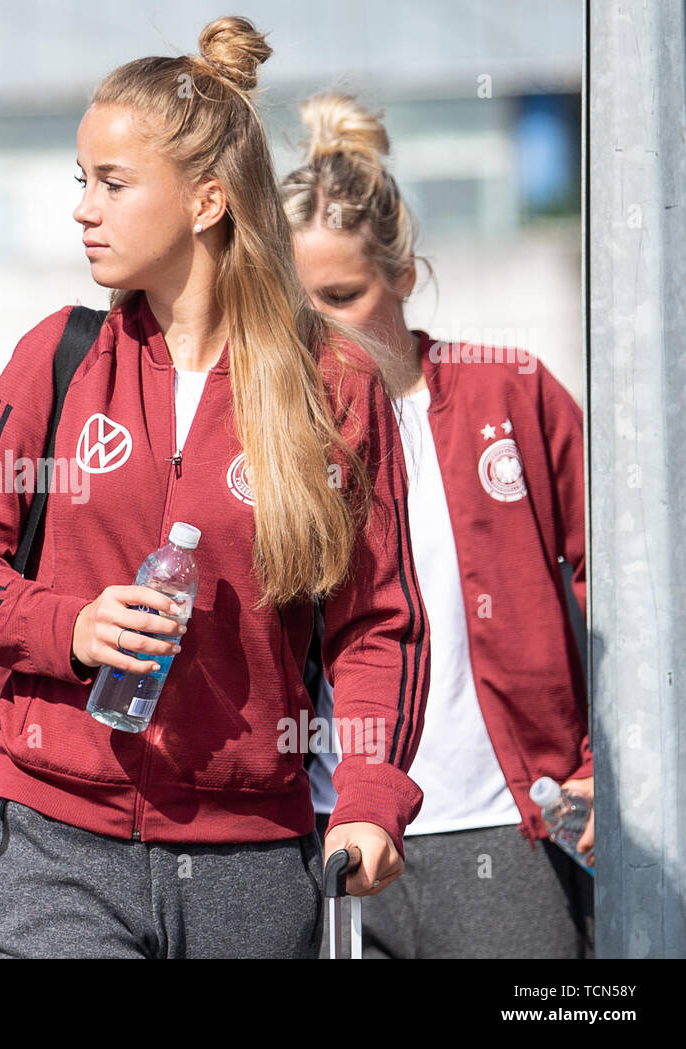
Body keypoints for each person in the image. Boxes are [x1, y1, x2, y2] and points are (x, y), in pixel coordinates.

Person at [0, 17, 431, 959]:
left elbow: (378, 625)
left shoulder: (338, 384)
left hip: (255, 865)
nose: (83, 210)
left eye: (111, 184)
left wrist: (371, 794)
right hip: (52, 847)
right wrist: (66, 625)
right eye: (84, 182)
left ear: (206, 202)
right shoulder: (57, 358)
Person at [281, 92, 594, 957]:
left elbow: (615, 577)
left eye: (341, 296)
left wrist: (608, 763)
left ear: (405, 275)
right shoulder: (270, 429)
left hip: (512, 819)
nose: (319, 329)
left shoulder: (510, 390)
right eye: (297, 305)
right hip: (331, 831)